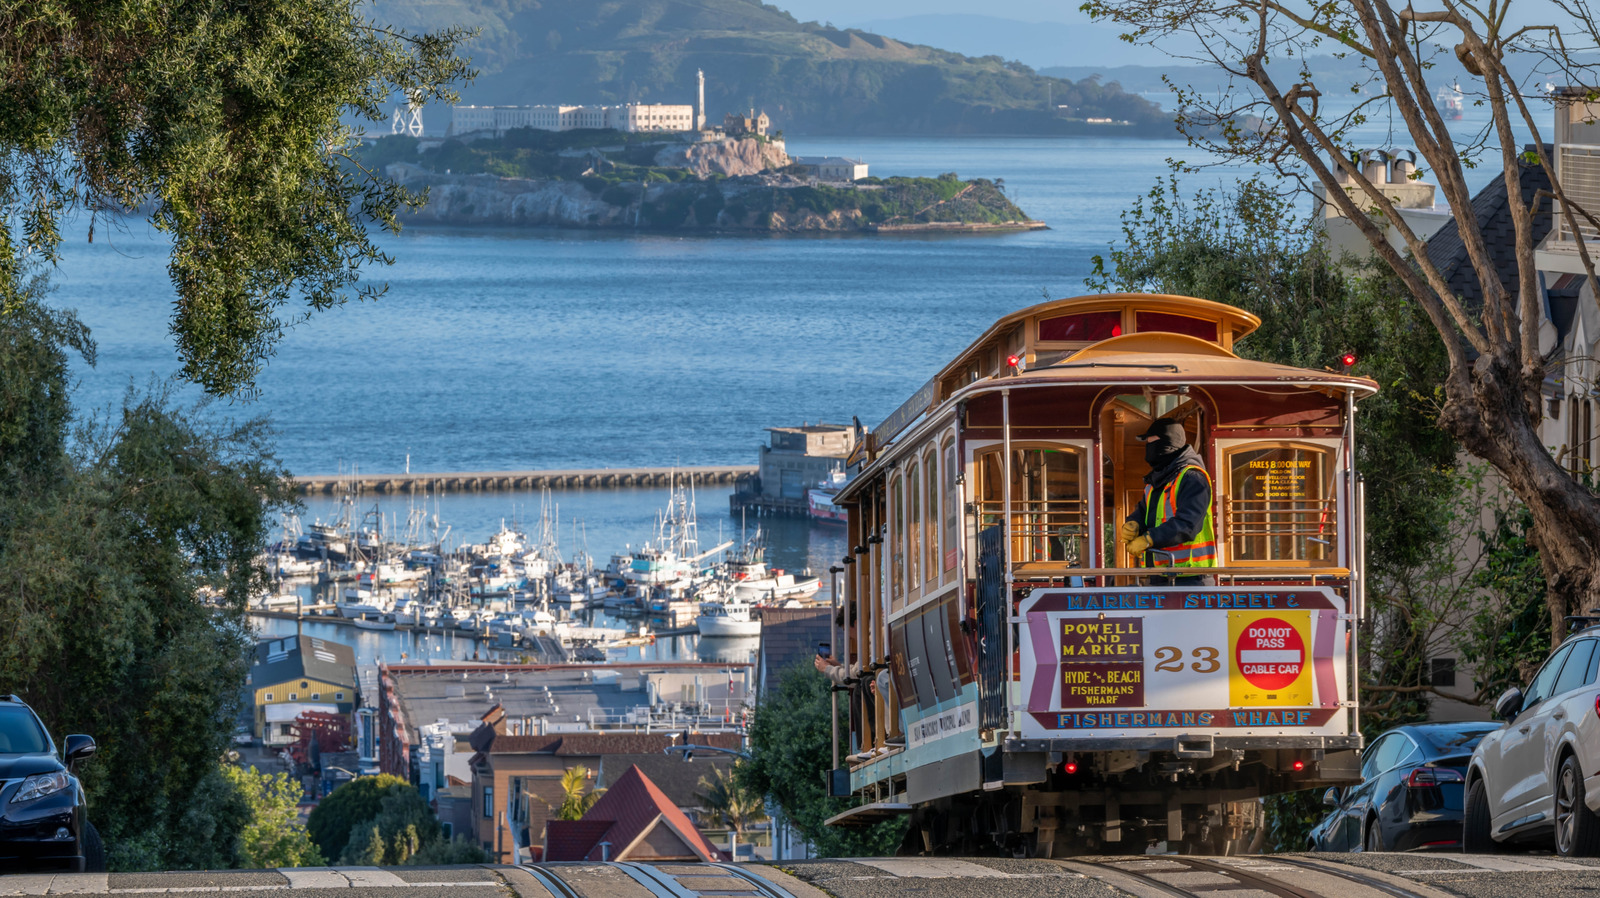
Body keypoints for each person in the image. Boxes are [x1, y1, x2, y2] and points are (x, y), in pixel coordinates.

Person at [1121, 417, 1216, 586]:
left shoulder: (1192, 477)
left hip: (1191, 578)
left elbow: (1188, 524)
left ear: (1169, 443)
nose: (1148, 447)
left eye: (1152, 441)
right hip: (1159, 575)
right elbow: (1143, 512)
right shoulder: (1156, 481)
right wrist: (1133, 524)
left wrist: (1149, 539)